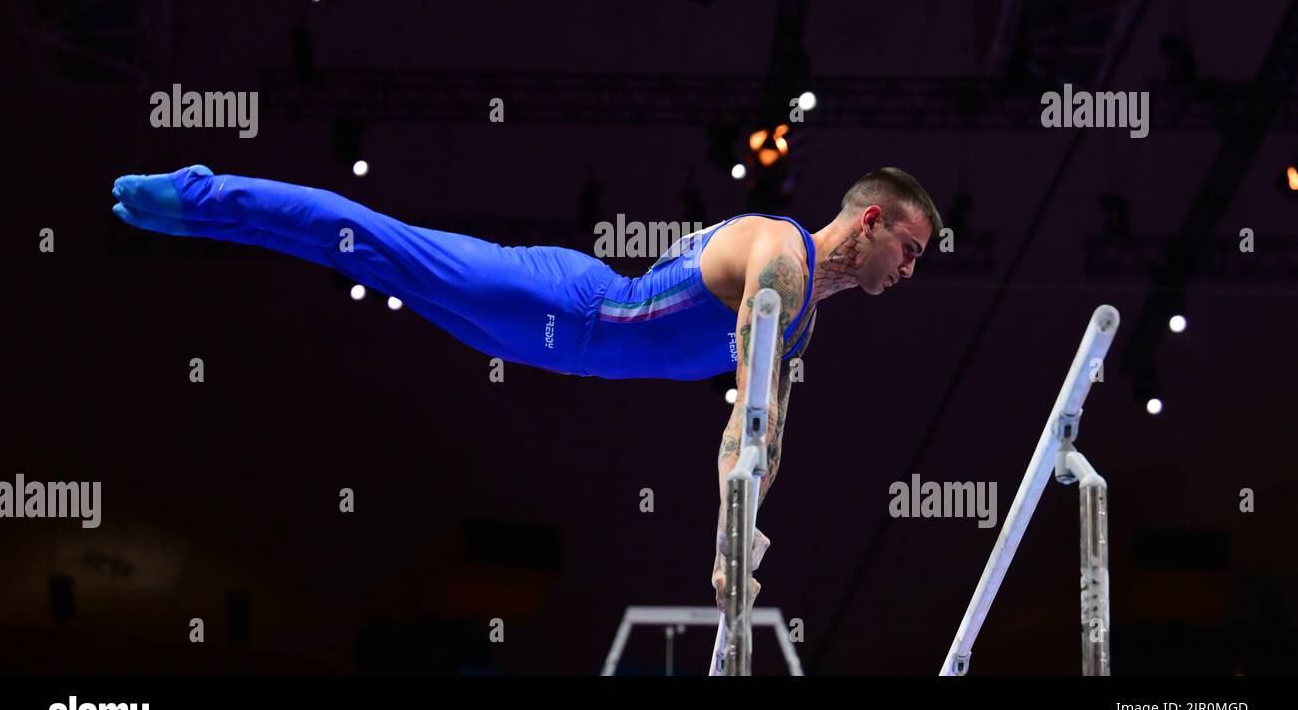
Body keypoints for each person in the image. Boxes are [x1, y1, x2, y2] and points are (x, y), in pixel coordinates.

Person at [112, 164, 941, 606]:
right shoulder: (779, 256)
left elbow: (763, 441)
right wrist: (731, 529)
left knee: (375, 259)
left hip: (557, 351)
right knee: (368, 242)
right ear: (871, 220)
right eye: (909, 248)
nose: (910, 270)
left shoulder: (806, 323)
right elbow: (750, 408)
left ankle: (204, 208)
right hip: (559, 304)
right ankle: (200, 196)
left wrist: (742, 529)